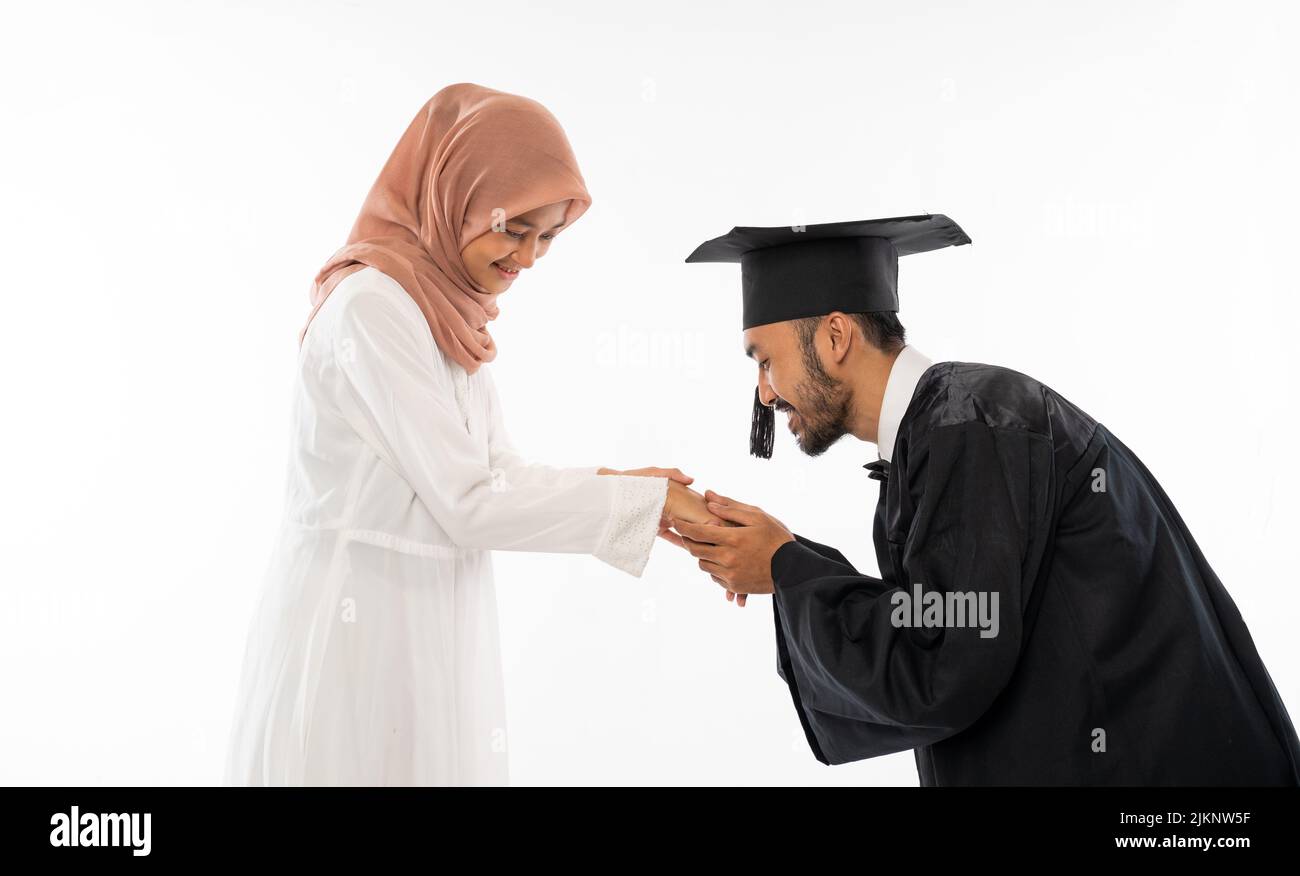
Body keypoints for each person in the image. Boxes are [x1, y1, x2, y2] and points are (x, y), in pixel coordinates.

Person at [672, 213, 1300, 785]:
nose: (763, 393)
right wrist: (785, 560)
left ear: (835, 337)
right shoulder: (944, 431)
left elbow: (945, 664)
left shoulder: (972, 428)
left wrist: (786, 568)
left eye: (764, 360)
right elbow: (946, 620)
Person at [224, 83, 713, 786]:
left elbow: (498, 471)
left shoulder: (443, 310)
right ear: (454, 193)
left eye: (547, 237)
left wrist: (629, 492)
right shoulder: (375, 307)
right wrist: (642, 506)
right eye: (515, 229)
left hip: (423, 626)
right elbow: (468, 502)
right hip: (356, 639)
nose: (530, 258)